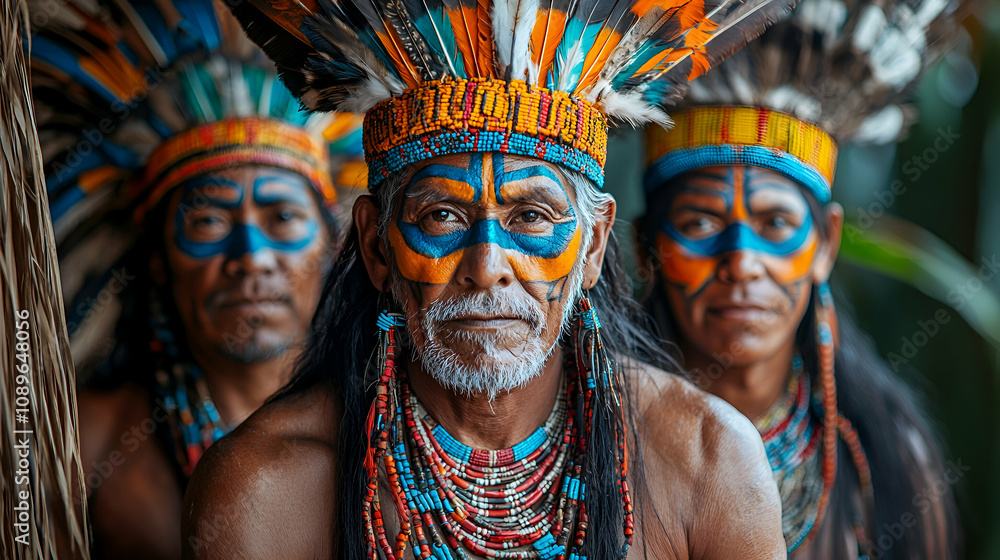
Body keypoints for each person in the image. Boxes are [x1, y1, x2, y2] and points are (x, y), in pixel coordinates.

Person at [181, 0, 799, 557]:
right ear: (376, 245)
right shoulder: (265, 488)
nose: (487, 265)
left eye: (531, 217)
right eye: (441, 215)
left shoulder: (708, 460)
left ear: (594, 245)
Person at [30, 1, 363, 557]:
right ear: (159, 255)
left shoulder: (386, 431)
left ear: (333, 245)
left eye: (282, 218)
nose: (252, 257)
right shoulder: (80, 443)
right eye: (209, 221)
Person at [638, 0, 966, 556]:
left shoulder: (891, 461)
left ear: (825, 245)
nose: (741, 262)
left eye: (775, 224)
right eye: (700, 222)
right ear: (647, 249)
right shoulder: (594, 443)